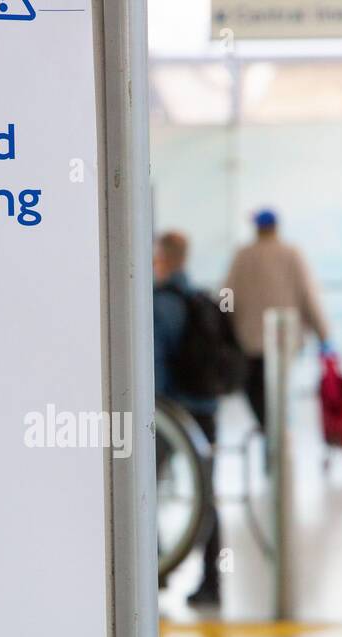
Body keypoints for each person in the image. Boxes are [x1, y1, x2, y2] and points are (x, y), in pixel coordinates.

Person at [152, 231, 222, 608]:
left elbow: (154, 366)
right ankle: (212, 582)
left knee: (143, 490)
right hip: (206, 412)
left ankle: (155, 571)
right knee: (207, 498)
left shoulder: (156, 303)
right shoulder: (200, 299)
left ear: (162, 258)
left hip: (170, 415)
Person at [223, 209, 330, 429]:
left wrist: (227, 331)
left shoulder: (243, 255)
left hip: (249, 343)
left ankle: (271, 439)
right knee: (279, 398)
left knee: (259, 397)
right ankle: (277, 443)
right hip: (285, 342)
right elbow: (308, 296)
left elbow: (227, 296)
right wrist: (324, 335)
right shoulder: (291, 254)